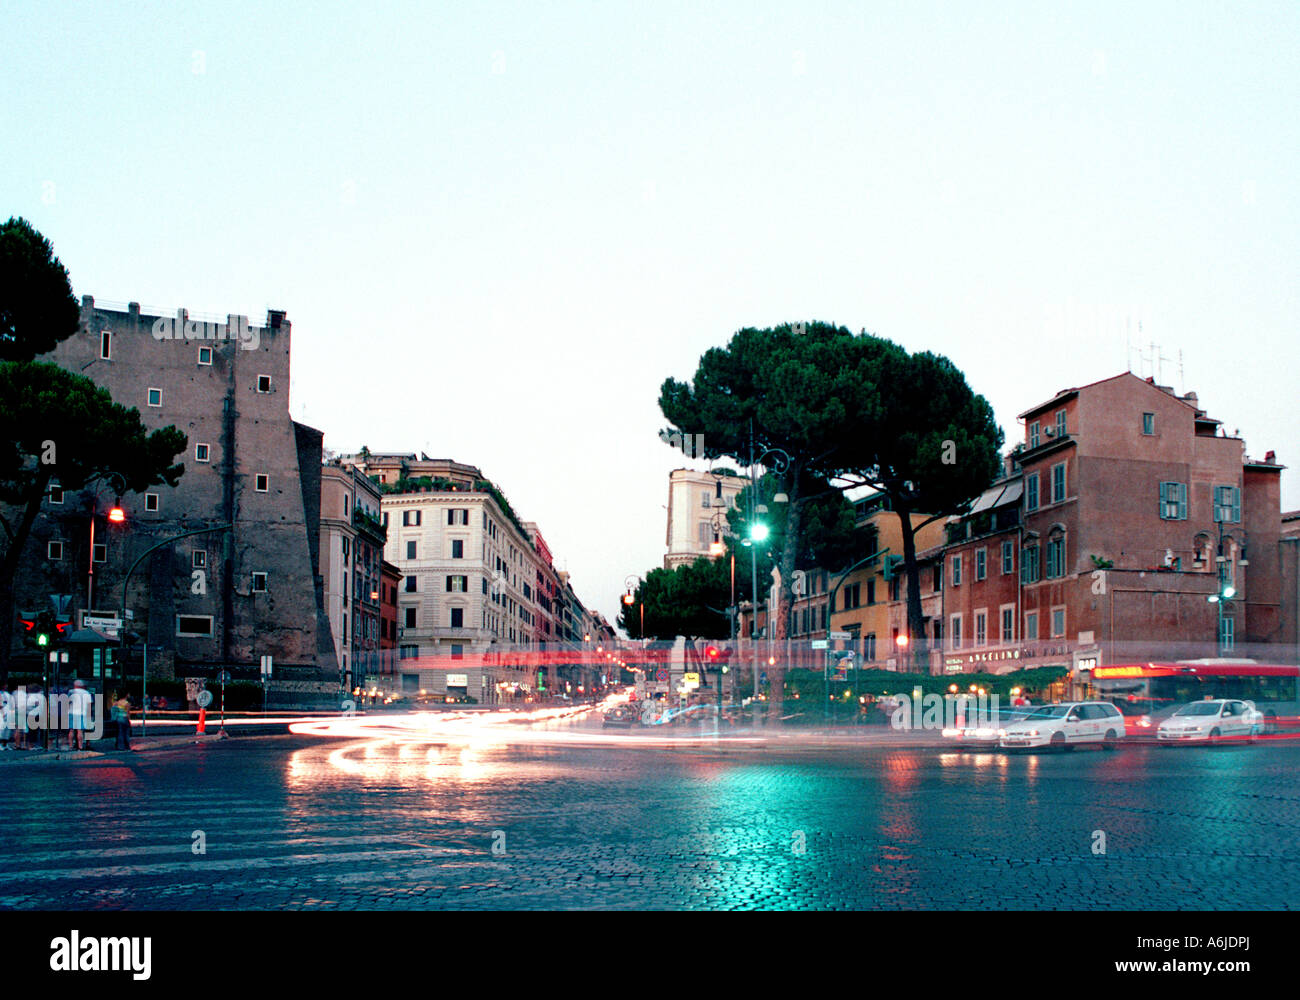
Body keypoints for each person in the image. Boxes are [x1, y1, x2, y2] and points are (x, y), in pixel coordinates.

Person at [68, 680, 93, 750]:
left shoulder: (71, 692)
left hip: (71, 712)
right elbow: (89, 705)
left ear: (75, 685)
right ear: (82, 686)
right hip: (82, 713)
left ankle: (70, 746)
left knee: (71, 730)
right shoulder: (87, 693)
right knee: (80, 731)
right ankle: (80, 746)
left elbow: (67, 702)